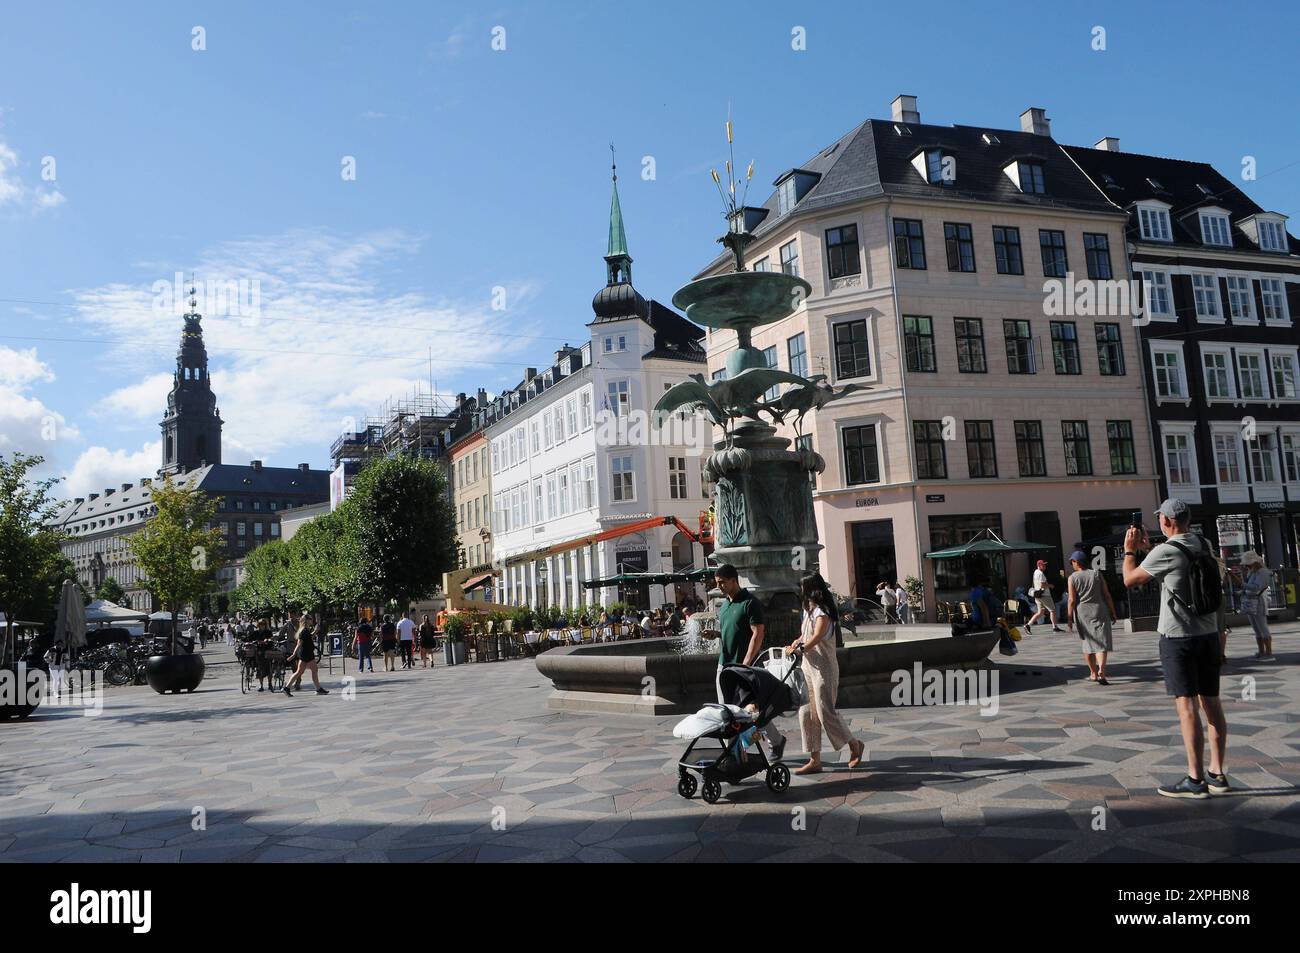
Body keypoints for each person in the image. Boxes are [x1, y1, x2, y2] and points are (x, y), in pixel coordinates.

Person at [1123, 498, 1228, 799]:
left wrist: (1131, 551)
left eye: (1160, 519)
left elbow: (1130, 579)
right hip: (1208, 633)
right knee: (1212, 703)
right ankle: (1217, 773)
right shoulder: (1203, 543)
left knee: (1187, 707)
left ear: (1167, 522)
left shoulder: (1165, 551)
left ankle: (1195, 781)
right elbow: (1175, 564)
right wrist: (1149, 551)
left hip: (1178, 637)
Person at [786, 573, 865, 775]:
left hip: (824, 669)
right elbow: (806, 636)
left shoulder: (822, 613)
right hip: (808, 668)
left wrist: (801, 648)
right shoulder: (809, 611)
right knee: (806, 713)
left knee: (824, 711)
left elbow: (816, 637)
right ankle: (815, 759)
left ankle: (855, 745)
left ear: (812, 589)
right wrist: (797, 642)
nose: (799, 591)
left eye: (803, 587)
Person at [710, 564, 786, 760]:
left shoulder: (750, 603)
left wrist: (746, 663)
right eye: (717, 583)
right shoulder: (725, 604)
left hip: (744, 668)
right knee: (727, 714)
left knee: (750, 713)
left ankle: (774, 741)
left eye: (722, 583)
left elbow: (758, 633)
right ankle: (734, 755)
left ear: (734, 580)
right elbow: (732, 631)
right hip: (724, 665)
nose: (719, 587)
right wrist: (716, 635)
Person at [1066, 550, 1117, 684]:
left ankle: (1093, 673)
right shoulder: (1097, 574)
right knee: (1101, 642)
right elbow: (1107, 595)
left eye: (1072, 562)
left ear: (1077, 562)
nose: (1072, 565)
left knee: (1088, 644)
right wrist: (1113, 611)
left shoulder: (1072, 578)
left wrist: (1069, 617)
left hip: (1083, 613)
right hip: (1099, 609)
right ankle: (1102, 671)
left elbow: (1071, 599)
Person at [1239, 551, 1274, 661]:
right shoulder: (1254, 572)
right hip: (1252, 601)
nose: (1246, 566)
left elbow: (1256, 587)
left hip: (1259, 601)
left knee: (1262, 627)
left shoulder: (1262, 572)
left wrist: (1242, 584)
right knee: (1257, 628)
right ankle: (1261, 651)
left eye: (1248, 564)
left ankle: (1268, 653)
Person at [283, 613, 328, 697]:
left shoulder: (305, 630)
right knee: (310, 670)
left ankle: (287, 688)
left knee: (301, 671)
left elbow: (309, 638)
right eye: (310, 619)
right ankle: (318, 689)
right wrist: (293, 655)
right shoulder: (304, 630)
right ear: (306, 620)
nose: (312, 620)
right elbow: (299, 643)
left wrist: (315, 631)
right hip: (306, 654)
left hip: (306, 653)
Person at [1025, 559, 1063, 632]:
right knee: (1053, 610)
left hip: (1038, 595)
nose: (1045, 566)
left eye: (1045, 564)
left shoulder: (1035, 572)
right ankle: (1055, 627)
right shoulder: (1040, 574)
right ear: (1039, 565)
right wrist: (1050, 585)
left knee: (1040, 612)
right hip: (1045, 595)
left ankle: (1028, 625)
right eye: (1043, 565)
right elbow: (1042, 585)